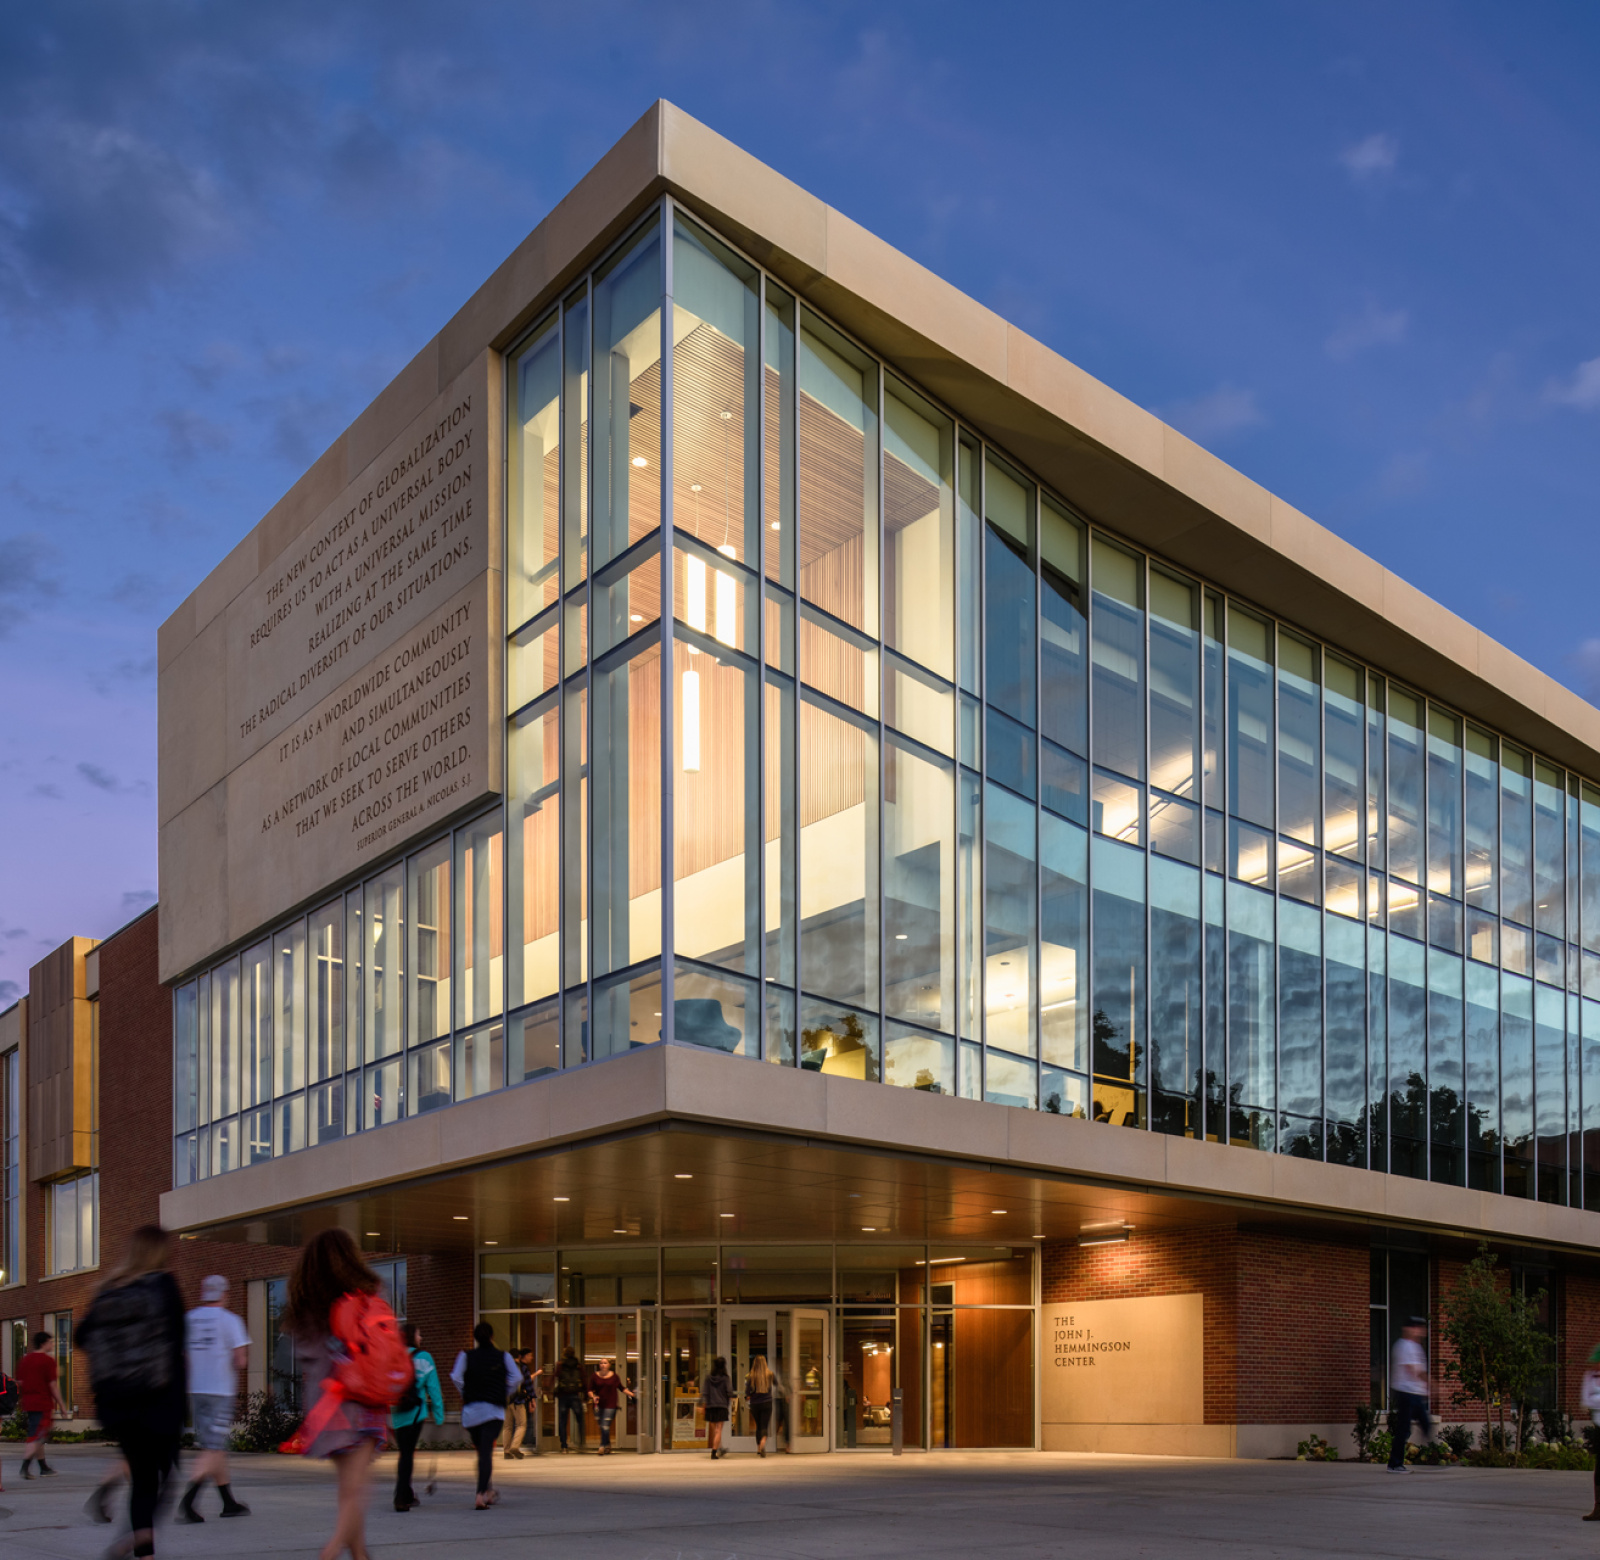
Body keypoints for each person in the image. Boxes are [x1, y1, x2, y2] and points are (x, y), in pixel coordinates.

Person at [74, 1225, 188, 1560]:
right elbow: (178, 1340)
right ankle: (138, 1537)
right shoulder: (163, 1286)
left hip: (116, 1404)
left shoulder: (108, 1290)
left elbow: (82, 1336)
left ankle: (142, 1548)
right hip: (158, 1399)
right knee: (165, 1478)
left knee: (141, 1478)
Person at [280, 1227, 392, 1560]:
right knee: (356, 1487)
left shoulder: (302, 1307)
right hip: (360, 1399)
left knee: (348, 1485)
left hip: (324, 1407)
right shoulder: (361, 1297)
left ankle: (360, 1554)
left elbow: (302, 1356)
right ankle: (330, 1552)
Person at [178, 1274, 251, 1522]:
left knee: (215, 1446)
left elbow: (184, 1356)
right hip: (220, 1391)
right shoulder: (231, 1321)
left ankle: (228, 1503)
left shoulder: (189, 1319)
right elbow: (241, 1360)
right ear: (224, 1294)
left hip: (197, 1391)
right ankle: (188, 1501)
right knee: (212, 1447)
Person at [450, 1321, 521, 1509]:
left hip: (471, 1412)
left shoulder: (465, 1356)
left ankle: (487, 1490)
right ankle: (481, 1494)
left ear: (475, 1338)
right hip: (493, 1411)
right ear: (492, 1337)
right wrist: (504, 1391)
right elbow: (517, 1378)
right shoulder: (503, 1356)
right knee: (486, 1454)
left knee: (481, 1453)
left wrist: (466, 1391)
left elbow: (455, 1376)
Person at [390, 1322, 443, 1512]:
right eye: (419, 1334)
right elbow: (434, 1388)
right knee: (407, 1455)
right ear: (412, 1336)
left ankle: (408, 1494)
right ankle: (401, 1497)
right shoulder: (424, 1357)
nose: (421, 1338)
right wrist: (439, 1414)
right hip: (415, 1413)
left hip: (396, 1413)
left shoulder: (392, 1357)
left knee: (404, 1453)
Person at [16, 1330, 67, 1478]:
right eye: (51, 1342)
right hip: (42, 1403)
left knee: (36, 1433)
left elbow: (20, 1382)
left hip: (29, 1403)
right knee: (37, 1436)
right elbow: (53, 1385)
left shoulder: (25, 1360)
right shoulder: (48, 1361)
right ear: (44, 1343)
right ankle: (25, 1466)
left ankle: (43, 1467)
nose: (52, 1345)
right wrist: (62, 1406)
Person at [1387, 1316, 1432, 1471]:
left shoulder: (1415, 1346)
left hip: (1415, 1393)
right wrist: (1433, 1384)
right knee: (1404, 1428)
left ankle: (1431, 1456)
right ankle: (1395, 1463)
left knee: (1425, 1424)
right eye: (1418, 1327)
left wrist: (1425, 1388)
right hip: (1406, 1392)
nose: (1421, 1330)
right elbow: (1413, 1370)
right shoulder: (1404, 1346)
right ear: (1409, 1329)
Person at [587, 1357, 635, 1455]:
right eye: (601, 1363)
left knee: (605, 1426)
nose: (603, 1365)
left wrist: (632, 1394)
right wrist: (593, 1397)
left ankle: (602, 1446)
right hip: (599, 1404)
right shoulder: (594, 1376)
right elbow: (589, 1390)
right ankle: (608, 1444)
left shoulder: (614, 1377)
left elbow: (621, 1388)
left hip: (611, 1404)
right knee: (602, 1426)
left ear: (609, 1365)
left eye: (605, 1363)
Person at [501, 1350, 537, 1459]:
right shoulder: (522, 1368)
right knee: (521, 1424)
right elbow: (528, 1384)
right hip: (518, 1400)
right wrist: (532, 1399)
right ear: (519, 1356)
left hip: (505, 1401)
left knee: (507, 1426)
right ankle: (515, 1447)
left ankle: (506, 1451)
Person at [553, 1347, 586, 1452]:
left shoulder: (560, 1365)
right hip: (575, 1395)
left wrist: (552, 1393)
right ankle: (581, 1443)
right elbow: (584, 1379)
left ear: (564, 1354)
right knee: (580, 1420)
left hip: (563, 1395)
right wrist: (585, 1395)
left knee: (562, 1421)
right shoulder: (578, 1365)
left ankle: (564, 1446)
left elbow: (555, 1377)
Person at [745, 1354, 776, 1458]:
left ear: (755, 1364)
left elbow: (747, 1392)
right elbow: (776, 1384)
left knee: (758, 1425)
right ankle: (763, 1442)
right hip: (767, 1403)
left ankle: (758, 1448)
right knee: (764, 1425)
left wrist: (747, 1397)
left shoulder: (750, 1376)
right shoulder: (770, 1374)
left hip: (755, 1404)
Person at [702, 1355, 732, 1459]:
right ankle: (714, 1452)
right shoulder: (725, 1378)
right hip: (721, 1406)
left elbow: (705, 1393)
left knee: (715, 1430)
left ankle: (720, 1448)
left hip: (710, 1407)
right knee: (718, 1430)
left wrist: (703, 1405)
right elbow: (729, 1392)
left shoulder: (708, 1378)